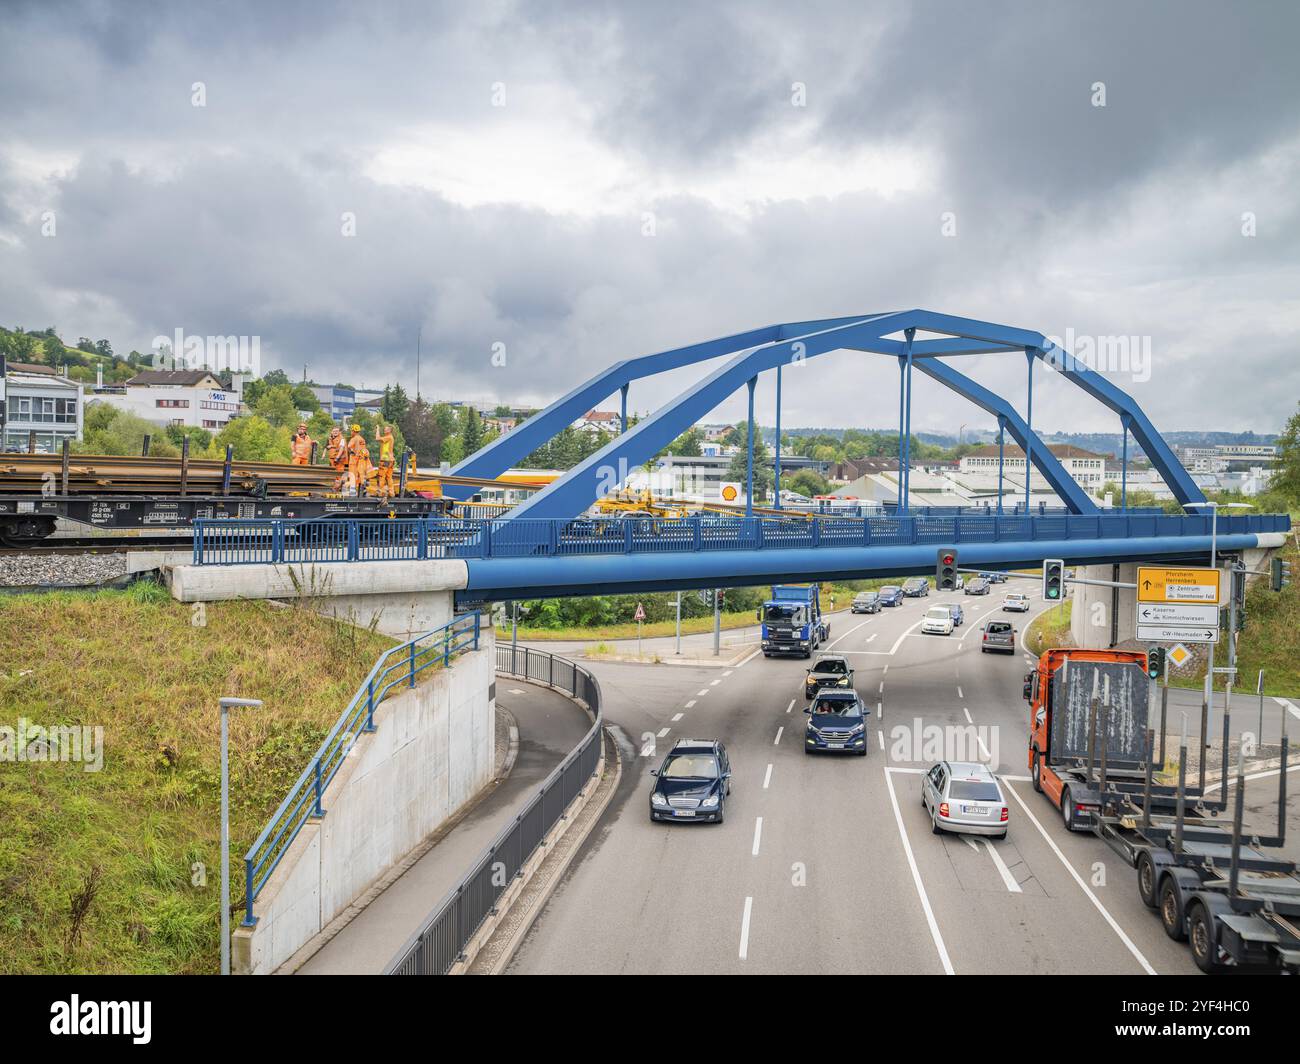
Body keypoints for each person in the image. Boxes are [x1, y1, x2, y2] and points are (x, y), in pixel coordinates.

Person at [346, 423, 371, 496]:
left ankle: (352, 492)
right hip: (361, 461)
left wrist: (352, 452)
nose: (351, 433)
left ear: (353, 431)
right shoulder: (362, 439)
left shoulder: (353, 439)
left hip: (354, 460)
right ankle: (363, 490)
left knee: (353, 476)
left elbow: (349, 447)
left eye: (351, 431)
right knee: (361, 476)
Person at [375, 423, 396, 498]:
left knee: (381, 476)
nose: (384, 429)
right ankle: (391, 492)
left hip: (385, 460)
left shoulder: (388, 437)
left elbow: (377, 438)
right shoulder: (390, 437)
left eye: (386, 429)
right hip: (390, 460)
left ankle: (380, 492)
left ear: (390, 430)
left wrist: (377, 429)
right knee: (389, 477)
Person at [326, 425, 348, 491]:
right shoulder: (332, 438)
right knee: (334, 474)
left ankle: (338, 488)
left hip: (339, 460)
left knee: (339, 474)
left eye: (337, 431)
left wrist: (337, 458)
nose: (335, 432)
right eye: (334, 431)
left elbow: (341, 449)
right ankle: (336, 488)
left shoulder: (342, 439)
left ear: (339, 432)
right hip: (334, 459)